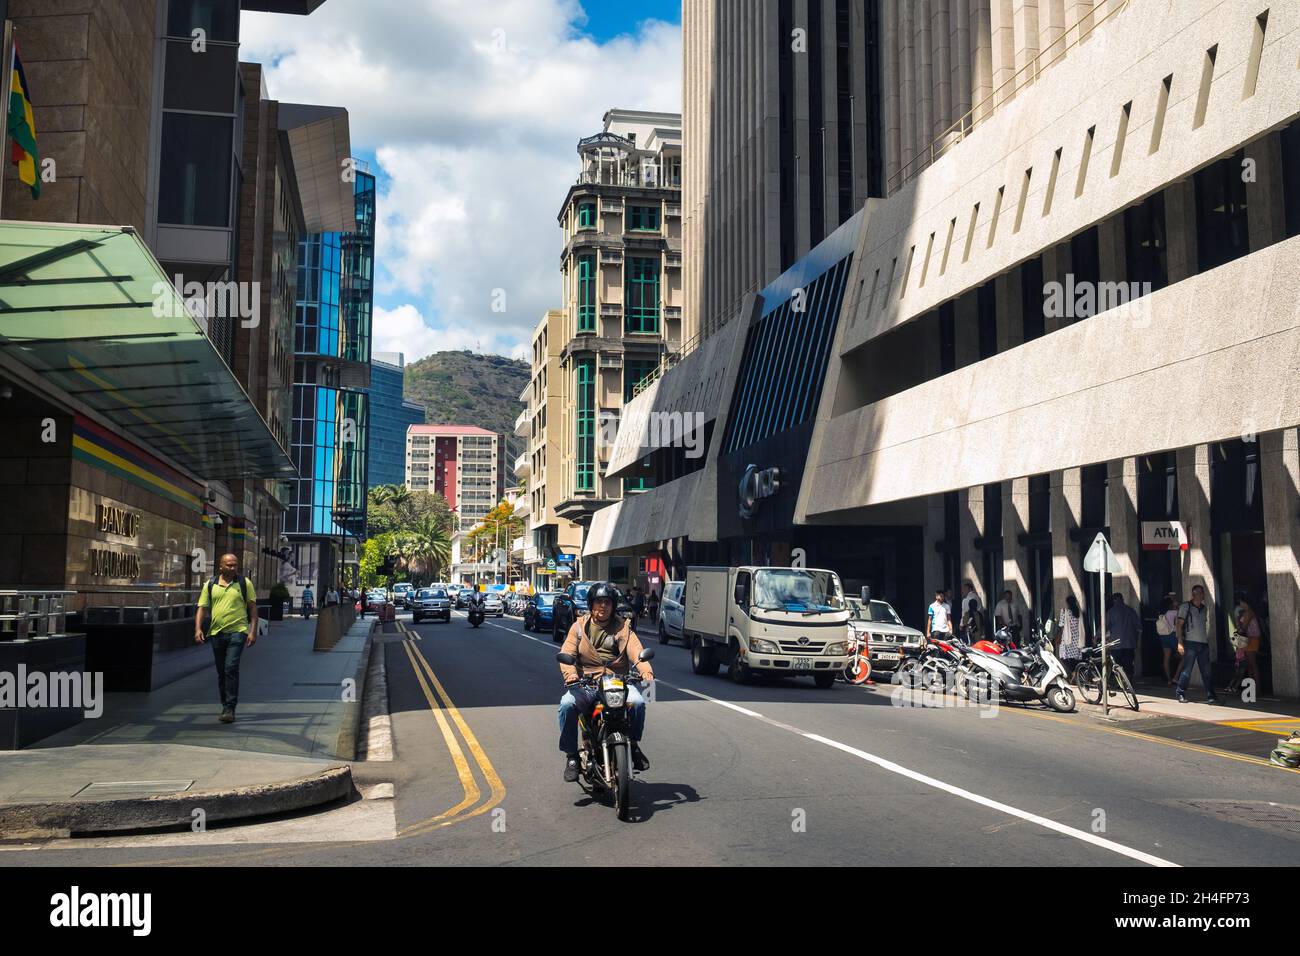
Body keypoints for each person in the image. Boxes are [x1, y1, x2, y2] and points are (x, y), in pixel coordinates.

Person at [558, 582, 654, 781]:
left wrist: (646, 673)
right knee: (567, 705)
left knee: (638, 702)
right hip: (587, 683)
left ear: (613, 605)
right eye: (599, 602)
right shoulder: (578, 628)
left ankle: (634, 745)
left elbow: (637, 653)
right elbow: (566, 653)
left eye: (607, 602)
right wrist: (572, 676)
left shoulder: (623, 628)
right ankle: (572, 756)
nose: (603, 606)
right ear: (591, 605)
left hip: (617, 681)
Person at [195, 553, 258, 724]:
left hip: (238, 632)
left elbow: (252, 609)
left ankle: (230, 707)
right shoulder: (210, 585)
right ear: (220, 566)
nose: (233, 568)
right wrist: (198, 628)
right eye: (229, 565)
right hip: (216, 634)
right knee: (222, 672)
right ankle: (225, 705)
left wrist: (252, 631)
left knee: (231, 668)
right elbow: (202, 608)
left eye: (235, 565)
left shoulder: (244, 583)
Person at [1175, 583, 1218, 705]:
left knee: (1207, 671)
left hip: (1203, 643)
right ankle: (1180, 692)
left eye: (1203, 593)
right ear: (1195, 594)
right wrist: (1180, 643)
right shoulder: (1186, 607)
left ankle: (1210, 694)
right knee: (1187, 670)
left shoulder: (1204, 608)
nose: (1203, 595)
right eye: (1201, 593)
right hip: (1190, 643)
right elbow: (1179, 625)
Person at [1225, 592, 1262, 696]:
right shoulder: (1245, 612)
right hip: (1247, 640)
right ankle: (1252, 688)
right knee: (1249, 666)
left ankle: (1257, 688)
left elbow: (1243, 627)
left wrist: (1237, 629)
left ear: (1244, 602)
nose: (1240, 604)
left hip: (1251, 639)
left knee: (1252, 664)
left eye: (1240, 602)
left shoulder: (1248, 612)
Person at [1105, 592, 1141, 674]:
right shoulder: (1131, 610)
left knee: (1117, 665)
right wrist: (1136, 639)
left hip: (1116, 643)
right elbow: (1138, 626)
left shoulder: (1111, 612)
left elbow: (1105, 626)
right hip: (1129, 643)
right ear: (1122, 599)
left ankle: (1121, 683)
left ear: (1114, 600)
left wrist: (1097, 636)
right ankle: (1129, 682)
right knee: (1128, 664)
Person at [1057, 594, 1086, 680]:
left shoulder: (1064, 611)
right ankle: (1075, 673)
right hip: (1077, 639)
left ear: (1067, 603)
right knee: (1074, 658)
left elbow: (1061, 625)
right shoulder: (1078, 612)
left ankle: (1073, 672)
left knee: (1063, 657)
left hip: (1067, 639)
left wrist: (1058, 635)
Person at [1155, 592, 1180, 686]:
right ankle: (1176, 677)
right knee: (1184, 656)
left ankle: (1169, 679)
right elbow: (1181, 612)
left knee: (1166, 658)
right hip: (1172, 635)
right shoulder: (1173, 612)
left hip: (1163, 636)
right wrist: (1174, 601)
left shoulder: (1161, 614)